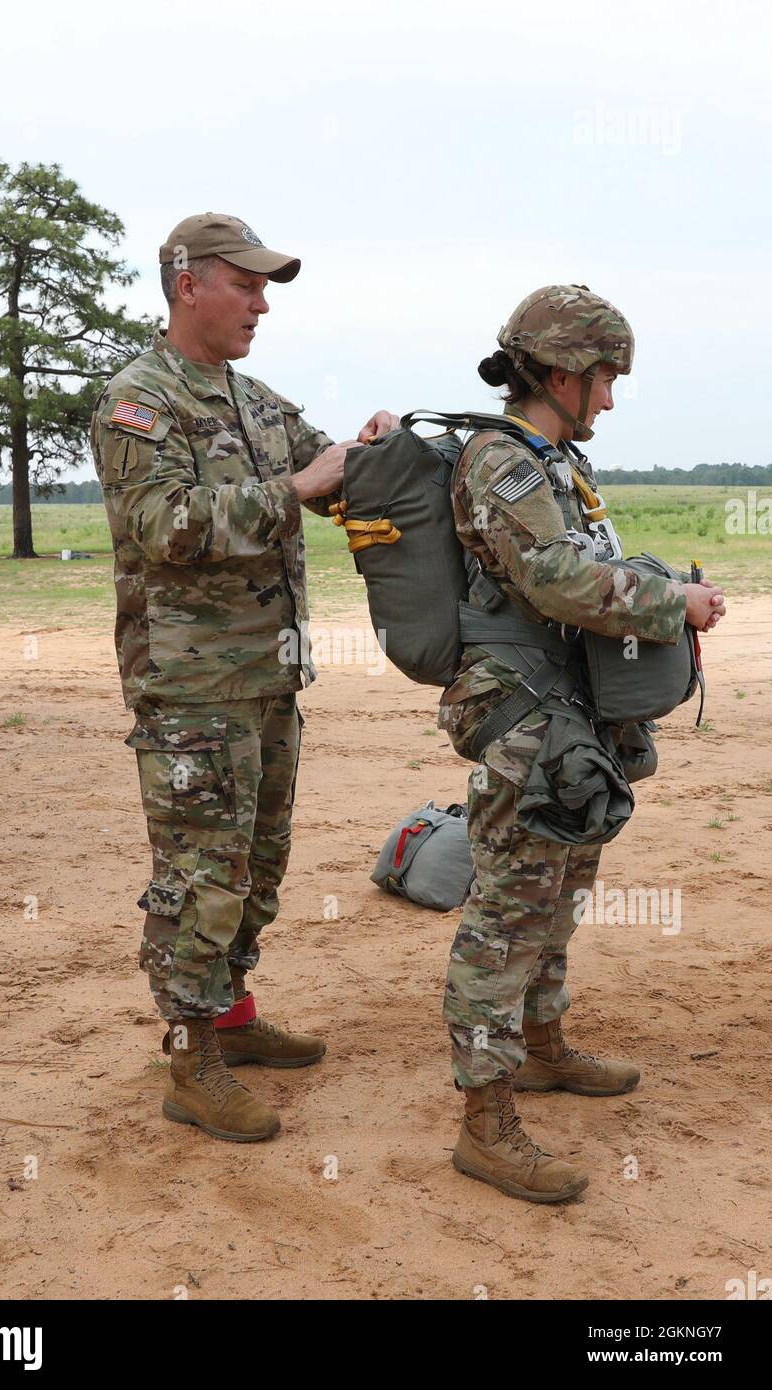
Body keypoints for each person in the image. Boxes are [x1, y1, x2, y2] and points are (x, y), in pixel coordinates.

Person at [90, 212, 398, 1143]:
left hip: (267, 679)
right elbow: (165, 526)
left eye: (265, 289)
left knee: (257, 863)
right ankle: (190, 1062)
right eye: (247, 285)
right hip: (189, 688)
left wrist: (368, 446)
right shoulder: (139, 402)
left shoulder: (253, 399)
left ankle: (229, 1017)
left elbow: (325, 465)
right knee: (199, 873)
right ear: (189, 285)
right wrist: (296, 492)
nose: (262, 304)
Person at [438, 285, 725, 1201]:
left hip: (565, 708)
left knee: (559, 887)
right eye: (603, 378)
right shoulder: (502, 461)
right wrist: (668, 603)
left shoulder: (552, 460)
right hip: (523, 712)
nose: (608, 397)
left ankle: (542, 1045)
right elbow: (557, 578)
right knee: (507, 912)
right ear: (559, 372)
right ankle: (485, 1120)